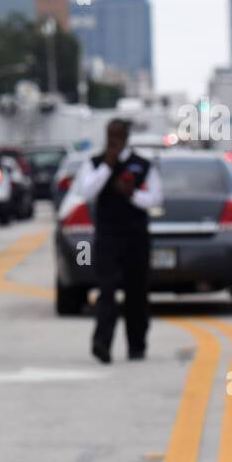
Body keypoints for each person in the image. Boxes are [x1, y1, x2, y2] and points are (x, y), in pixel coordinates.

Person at [72, 118, 163, 363]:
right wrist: (107, 168)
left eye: (118, 136)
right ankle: (102, 344)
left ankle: (137, 345)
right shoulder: (94, 163)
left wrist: (132, 194)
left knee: (137, 293)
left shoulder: (143, 164)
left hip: (136, 238)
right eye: (110, 135)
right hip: (107, 238)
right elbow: (87, 192)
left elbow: (155, 198)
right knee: (107, 293)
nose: (113, 141)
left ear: (126, 137)